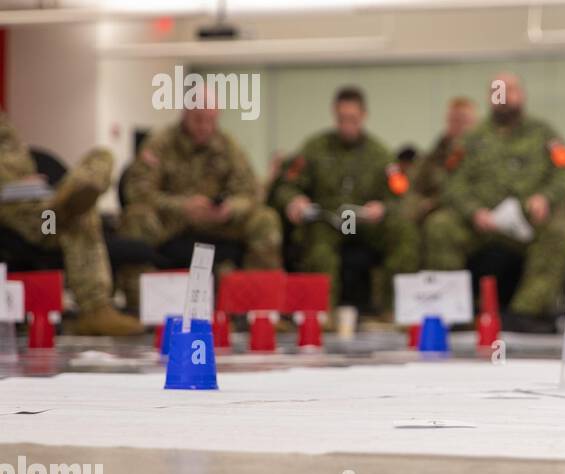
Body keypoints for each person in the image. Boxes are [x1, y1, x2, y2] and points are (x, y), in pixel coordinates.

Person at [422, 74, 565, 331]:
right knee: (440, 225)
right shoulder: (471, 138)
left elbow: (564, 173)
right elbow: (452, 183)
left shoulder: (544, 134)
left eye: (510, 90)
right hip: (480, 221)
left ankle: (525, 313)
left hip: (527, 220)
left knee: (560, 232)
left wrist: (544, 198)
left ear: (522, 95)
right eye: (497, 90)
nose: (503, 96)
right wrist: (473, 211)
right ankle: (454, 313)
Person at [272, 86, 418, 314]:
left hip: (365, 223)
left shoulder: (380, 154)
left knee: (404, 234)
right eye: (341, 119)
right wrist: (295, 201)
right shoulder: (314, 148)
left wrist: (382, 208)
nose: (347, 125)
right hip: (327, 221)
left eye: (353, 119)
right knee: (318, 246)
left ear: (364, 116)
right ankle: (320, 315)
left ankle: (394, 311)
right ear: (334, 115)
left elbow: (401, 197)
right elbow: (287, 185)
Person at [118, 105, 282, 305]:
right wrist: (183, 206)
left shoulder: (228, 145)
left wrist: (229, 208)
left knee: (265, 219)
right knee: (136, 218)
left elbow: (251, 193)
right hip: (171, 220)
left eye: (211, 120)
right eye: (198, 119)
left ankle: (259, 308)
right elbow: (137, 192)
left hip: (217, 220)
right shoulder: (160, 143)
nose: (204, 126)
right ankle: (141, 306)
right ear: (185, 115)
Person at [0, 109, 142, 335]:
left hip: (45, 211)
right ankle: (95, 309)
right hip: (17, 214)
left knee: (102, 155)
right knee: (79, 214)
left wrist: (32, 185)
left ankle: (70, 195)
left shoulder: (6, 130)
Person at [405, 96, 478, 230]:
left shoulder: (483, 155)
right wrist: (420, 205)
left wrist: (437, 203)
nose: (459, 126)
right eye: (454, 121)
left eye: (464, 121)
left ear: (475, 123)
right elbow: (414, 185)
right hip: (434, 215)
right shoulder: (435, 155)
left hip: (471, 215)